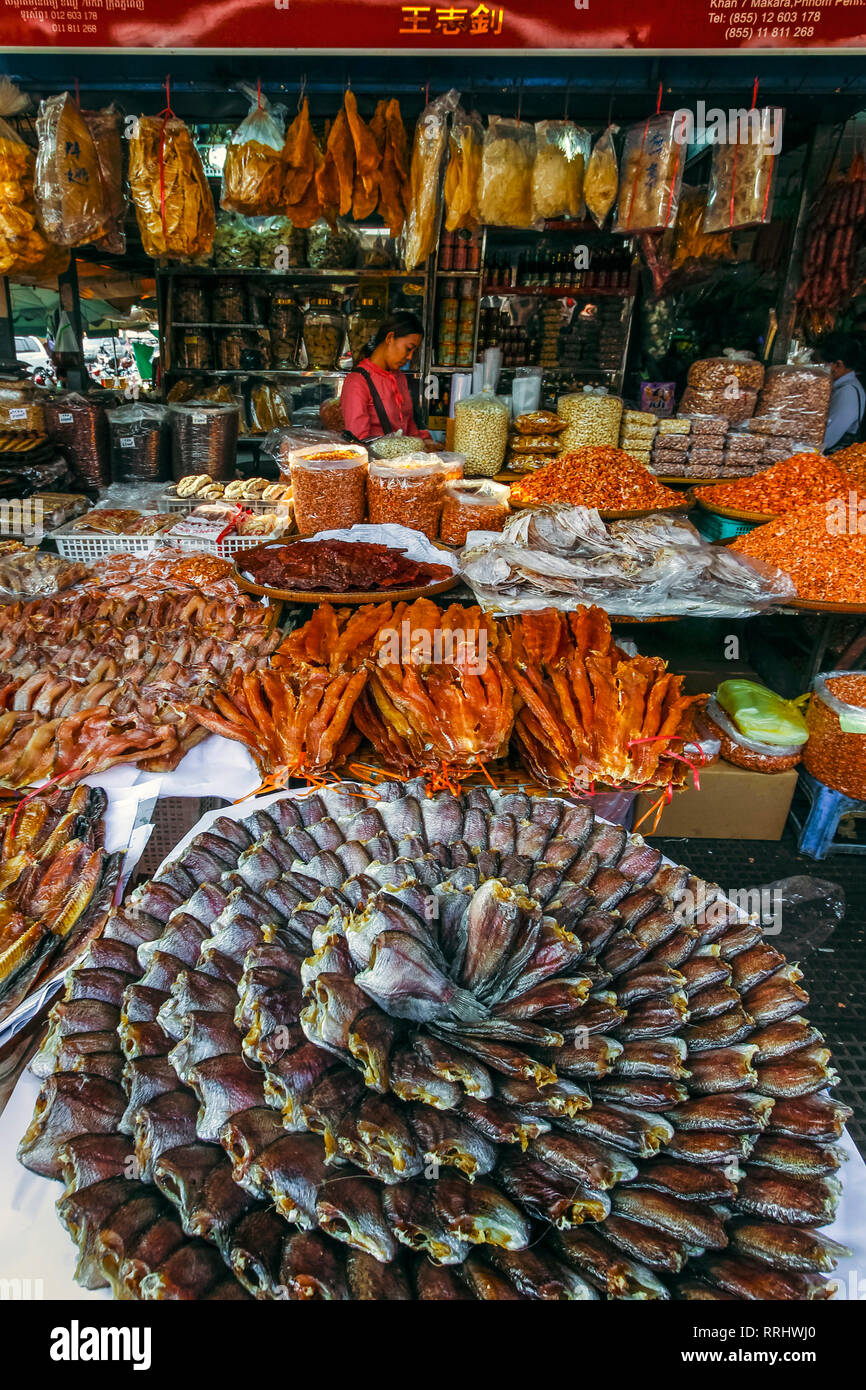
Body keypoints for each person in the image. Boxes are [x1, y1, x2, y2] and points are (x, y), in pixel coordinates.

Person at [340, 310, 436, 449]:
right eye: (408, 349)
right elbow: (358, 442)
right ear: (390, 338)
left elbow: (409, 428)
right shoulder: (358, 381)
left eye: (413, 352)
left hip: (404, 464)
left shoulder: (399, 378)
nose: (410, 357)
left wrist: (425, 442)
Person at [819, 333, 866, 452]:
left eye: (824, 363)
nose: (821, 367)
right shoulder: (842, 386)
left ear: (838, 365)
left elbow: (828, 438)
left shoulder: (848, 392)